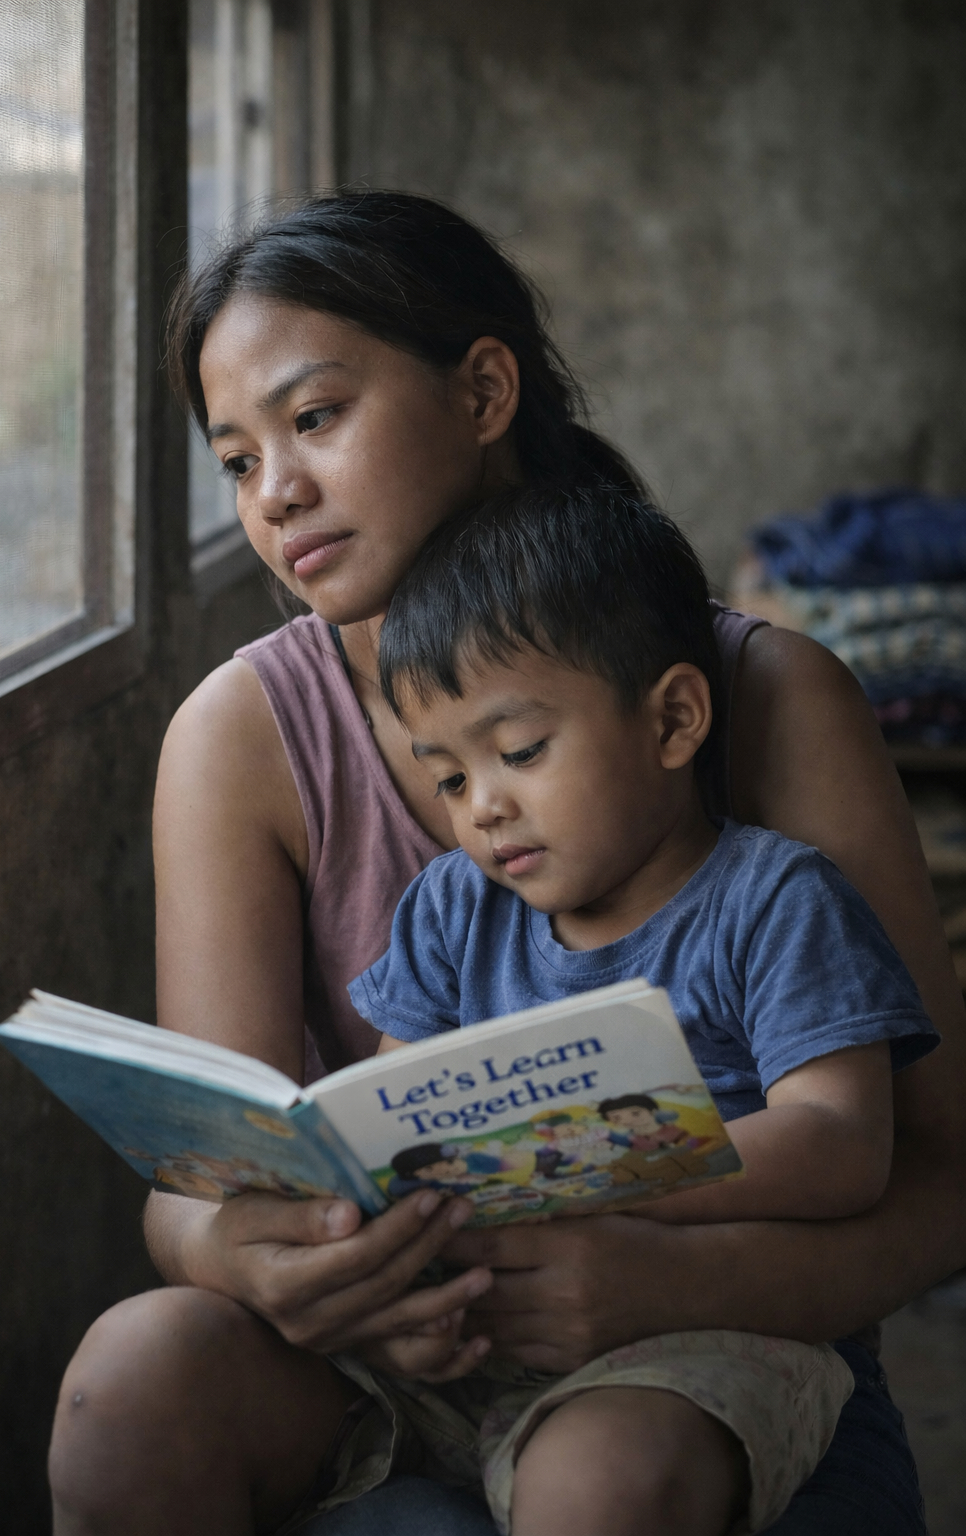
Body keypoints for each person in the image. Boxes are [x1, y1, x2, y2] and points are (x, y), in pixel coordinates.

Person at [47, 191, 962, 1535]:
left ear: (483, 391)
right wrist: (249, 1258)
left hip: (713, 1356)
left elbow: (938, 1173)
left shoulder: (762, 697)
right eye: (236, 460)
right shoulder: (238, 738)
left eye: (315, 418)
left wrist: (659, 1285)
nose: (275, 492)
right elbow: (206, 1190)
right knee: (131, 1378)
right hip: (409, 1356)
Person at [334, 482, 937, 1535]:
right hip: (474, 1327)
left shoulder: (773, 902)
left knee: (601, 1481)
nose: (484, 807)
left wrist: (604, 1183)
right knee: (145, 1381)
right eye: (449, 779)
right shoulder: (451, 909)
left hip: (704, 1332)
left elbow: (844, 1143)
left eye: (520, 752)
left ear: (672, 720)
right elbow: (389, 1118)